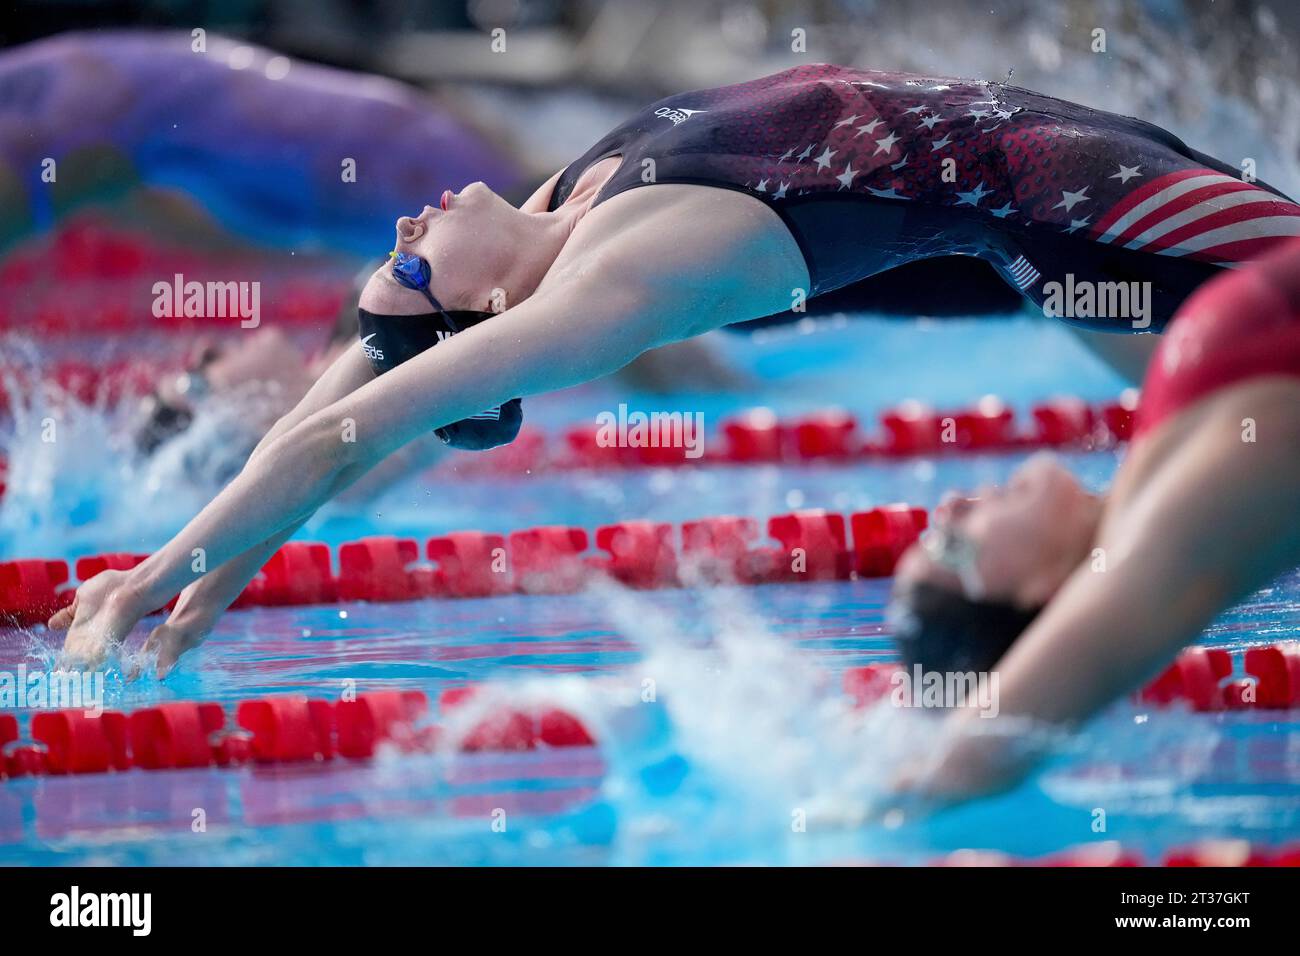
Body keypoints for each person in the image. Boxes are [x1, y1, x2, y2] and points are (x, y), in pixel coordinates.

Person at [51, 63, 1300, 675]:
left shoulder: (556, 204)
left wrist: (203, 577)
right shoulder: (612, 286)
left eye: (396, 259)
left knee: (1202, 414)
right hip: (1081, 213)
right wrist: (157, 576)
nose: (403, 233)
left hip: (1027, 211)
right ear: (489, 313)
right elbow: (335, 434)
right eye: (414, 268)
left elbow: (338, 398)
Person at [887, 237, 1300, 803]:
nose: (951, 503)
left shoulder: (1163, 463)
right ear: (1045, 599)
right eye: (951, 547)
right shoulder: (1180, 529)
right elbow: (965, 761)